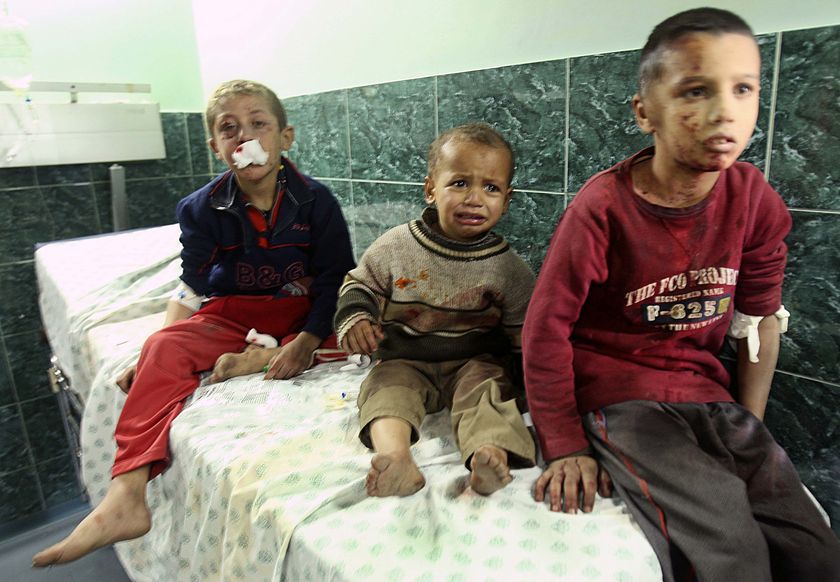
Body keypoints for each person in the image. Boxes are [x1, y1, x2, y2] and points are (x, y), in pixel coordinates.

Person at [523, 8, 840, 581]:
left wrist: (751, 427)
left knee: (814, 551)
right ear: (645, 112)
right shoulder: (603, 208)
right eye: (696, 91)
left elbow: (759, 321)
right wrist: (565, 444)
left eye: (743, 89)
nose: (725, 112)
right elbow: (545, 330)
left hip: (707, 394)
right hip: (622, 397)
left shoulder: (754, 200)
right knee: (731, 548)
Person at [32, 80, 355, 566]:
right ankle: (126, 494)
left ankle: (260, 359)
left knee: (368, 328)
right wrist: (158, 346)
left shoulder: (316, 201)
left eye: (258, 124)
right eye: (230, 129)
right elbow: (193, 286)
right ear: (215, 146)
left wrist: (306, 341)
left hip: (302, 313)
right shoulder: (201, 208)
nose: (245, 137)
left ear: (285, 137)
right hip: (233, 314)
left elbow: (336, 279)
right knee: (162, 350)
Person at [335, 123, 536, 498]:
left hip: (473, 363)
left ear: (506, 200)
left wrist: (527, 386)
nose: (474, 198)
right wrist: (357, 318)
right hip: (406, 359)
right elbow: (360, 285)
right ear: (430, 189)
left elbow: (525, 334)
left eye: (491, 188)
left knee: (490, 391)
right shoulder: (397, 246)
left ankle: (488, 454)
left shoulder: (509, 269)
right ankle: (396, 458)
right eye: (459, 183)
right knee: (384, 389)